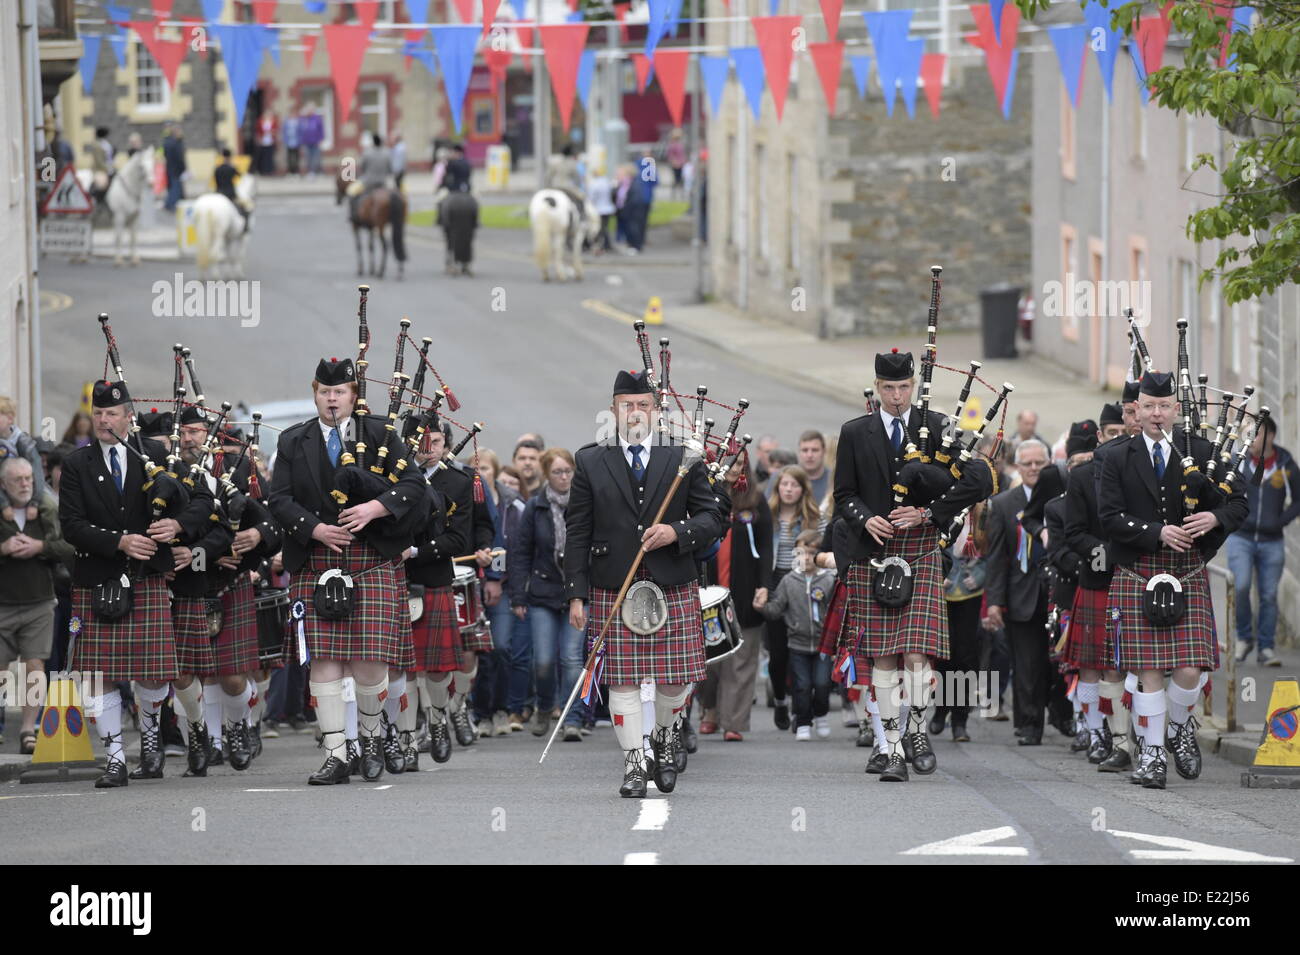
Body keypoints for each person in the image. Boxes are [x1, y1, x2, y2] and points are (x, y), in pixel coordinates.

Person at [832, 349, 994, 782]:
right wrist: (867, 517)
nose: (898, 396)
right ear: (877, 388)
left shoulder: (937, 427)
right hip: (875, 553)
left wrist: (930, 513)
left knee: (918, 656)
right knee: (883, 657)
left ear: (913, 386)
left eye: (904, 387)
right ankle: (891, 745)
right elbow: (843, 494)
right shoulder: (855, 432)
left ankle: (917, 731)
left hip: (921, 552)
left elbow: (979, 479)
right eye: (889, 388)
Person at [563, 369, 724, 797]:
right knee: (622, 679)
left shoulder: (683, 457)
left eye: (643, 405)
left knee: (676, 681)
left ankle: (666, 736)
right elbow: (577, 531)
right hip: (613, 583)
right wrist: (576, 594)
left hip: (672, 580)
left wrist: (677, 533)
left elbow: (712, 518)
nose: (635, 412)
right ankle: (635, 762)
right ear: (613, 409)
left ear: (655, 410)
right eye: (626, 405)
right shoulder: (590, 460)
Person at [267, 357, 425, 785]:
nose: (331, 399)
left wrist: (376, 508)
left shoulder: (381, 433)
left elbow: (414, 488)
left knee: (371, 661)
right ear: (315, 393)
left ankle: (371, 738)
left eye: (339, 392)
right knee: (326, 660)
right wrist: (315, 529)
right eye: (324, 392)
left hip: (370, 559)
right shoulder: (292, 440)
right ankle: (337, 752)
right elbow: (277, 498)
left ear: (354, 395)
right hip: (317, 560)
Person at [1098, 371, 1247, 789]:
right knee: (1148, 669)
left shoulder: (1202, 451)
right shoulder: (1115, 457)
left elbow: (1240, 503)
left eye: (1164, 406)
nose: (1156, 414)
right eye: (1148, 406)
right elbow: (1109, 517)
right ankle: (1150, 756)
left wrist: (1215, 516)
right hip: (1138, 570)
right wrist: (1155, 531)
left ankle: (1179, 725)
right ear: (1137, 410)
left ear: (1176, 410)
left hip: (1187, 571)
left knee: (1188, 669)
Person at [1063, 404, 1135, 772]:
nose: (1118, 439)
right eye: (1111, 433)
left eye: (1123, 433)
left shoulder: (1139, 472)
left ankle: (1130, 737)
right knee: (1092, 666)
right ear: (1099, 437)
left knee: (1125, 666)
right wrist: (1106, 552)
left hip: (1137, 579)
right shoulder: (1082, 477)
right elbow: (1072, 531)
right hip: (1098, 580)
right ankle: (1097, 734)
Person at [0, 457, 74, 754]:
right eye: (17, 479)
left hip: (40, 602)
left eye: (29, 478)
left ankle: (29, 730)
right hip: (2, 603)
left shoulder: (46, 511)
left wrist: (40, 547)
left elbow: (70, 545)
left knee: (34, 667)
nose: (24, 484)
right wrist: (3, 549)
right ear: (4, 484)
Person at [511, 448, 585, 741]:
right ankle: (544, 706)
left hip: (577, 593)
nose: (564, 477)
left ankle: (573, 718)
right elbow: (520, 553)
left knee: (571, 658)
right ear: (546, 474)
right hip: (542, 591)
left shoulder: (583, 502)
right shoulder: (536, 507)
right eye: (558, 472)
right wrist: (518, 595)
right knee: (542, 660)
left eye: (569, 471)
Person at [984, 439, 1052, 745]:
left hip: (1054, 593)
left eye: (1040, 463)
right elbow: (997, 557)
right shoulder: (1004, 504)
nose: (1034, 469)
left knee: (1051, 663)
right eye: (1028, 464)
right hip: (1020, 594)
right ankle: (1028, 723)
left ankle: (1061, 715)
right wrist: (995, 602)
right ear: (1018, 467)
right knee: (1025, 664)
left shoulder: (1061, 499)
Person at [699, 461, 771, 741]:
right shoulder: (703, 493)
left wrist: (765, 586)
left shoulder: (755, 500)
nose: (734, 467)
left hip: (744, 589)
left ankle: (735, 722)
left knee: (742, 660)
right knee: (710, 660)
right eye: (730, 461)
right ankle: (710, 710)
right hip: (708, 590)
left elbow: (765, 546)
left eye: (741, 462)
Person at [758, 465, 827, 731]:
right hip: (777, 583)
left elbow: (824, 551)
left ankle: (803, 711)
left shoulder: (815, 517)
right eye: (784, 484)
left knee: (802, 650)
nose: (788, 490)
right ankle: (779, 700)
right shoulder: (768, 514)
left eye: (794, 485)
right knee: (778, 655)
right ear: (777, 487)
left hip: (806, 585)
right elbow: (761, 554)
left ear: (803, 488)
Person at [1229, 414, 1297, 667]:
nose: (1252, 437)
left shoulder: (1286, 464)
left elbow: (1298, 500)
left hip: (1272, 541)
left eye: (1256, 432)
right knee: (1241, 586)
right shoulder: (1239, 462)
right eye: (1250, 431)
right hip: (1241, 538)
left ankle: (1266, 648)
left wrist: (1280, 521)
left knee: (1268, 594)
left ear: (1270, 436)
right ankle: (1244, 637)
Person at [757, 529, 836, 740]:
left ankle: (820, 714)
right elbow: (776, 609)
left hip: (822, 644)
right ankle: (802, 722)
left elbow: (836, 610)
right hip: (797, 643)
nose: (806, 558)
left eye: (811, 553)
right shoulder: (789, 581)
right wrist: (762, 607)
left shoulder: (828, 580)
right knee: (801, 686)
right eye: (801, 553)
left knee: (822, 684)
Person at [0, 396, 48, 515]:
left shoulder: (23, 442)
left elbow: (37, 472)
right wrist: (3, 503)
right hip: (4, 492)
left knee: (50, 507)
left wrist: (34, 502)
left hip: (26, 490)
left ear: (10, 419)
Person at [797, 429, 833, 515]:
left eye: (815, 450)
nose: (809, 455)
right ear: (799, 452)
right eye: (805, 450)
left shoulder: (834, 479)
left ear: (824, 452)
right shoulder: (784, 478)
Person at [212, 148, 249, 232]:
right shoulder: (231, 168)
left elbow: (216, 182)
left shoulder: (217, 169)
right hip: (230, 194)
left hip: (219, 193)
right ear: (230, 157)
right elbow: (241, 176)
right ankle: (245, 227)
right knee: (244, 209)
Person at [587, 166, 615, 253]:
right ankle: (606, 244)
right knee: (604, 227)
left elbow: (591, 198)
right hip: (608, 208)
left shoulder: (594, 184)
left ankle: (601, 245)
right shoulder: (607, 182)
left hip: (598, 209)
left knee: (599, 228)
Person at [163, 123, 187, 211]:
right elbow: (179, 158)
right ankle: (171, 205)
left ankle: (169, 204)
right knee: (175, 188)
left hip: (169, 168)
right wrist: (183, 169)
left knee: (173, 188)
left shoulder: (168, 142)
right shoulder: (176, 143)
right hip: (176, 170)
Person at [300, 103, 324, 177]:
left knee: (316, 157)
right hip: (307, 141)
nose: (309, 111)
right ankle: (310, 171)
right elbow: (301, 129)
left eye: (310, 109)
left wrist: (321, 139)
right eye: (308, 109)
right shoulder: (304, 119)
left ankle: (317, 171)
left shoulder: (317, 119)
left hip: (315, 141)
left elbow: (321, 130)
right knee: (308, 157)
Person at [665, 128, 687, 199]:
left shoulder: (679, 144)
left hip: (681, 163)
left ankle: (680, 195)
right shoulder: (672, 145)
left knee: (680, 179)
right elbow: (670, 155)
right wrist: (674, 162)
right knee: (676, 179)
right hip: (676, 164)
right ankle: (674, 195)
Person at [256, 111, 277, 176]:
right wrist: (259, 138)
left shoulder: (273, 122)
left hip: (270, 141)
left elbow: (275, 130)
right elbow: (258, 131)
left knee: (269, 157)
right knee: (263, 156)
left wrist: (272, 132)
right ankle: (262, 170)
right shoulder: (260, 122)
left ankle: (269, 170)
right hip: (263, 141)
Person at [283, 109, 301, 176]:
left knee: (296, 157)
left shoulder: (298, 122)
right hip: (289, 142)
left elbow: (300, 132)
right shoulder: (287, 122)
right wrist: (285, 140)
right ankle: (290, 171)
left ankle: (296, 171)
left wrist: (300, 140)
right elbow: (284, 132)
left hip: (296, 142)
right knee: (289, 157)